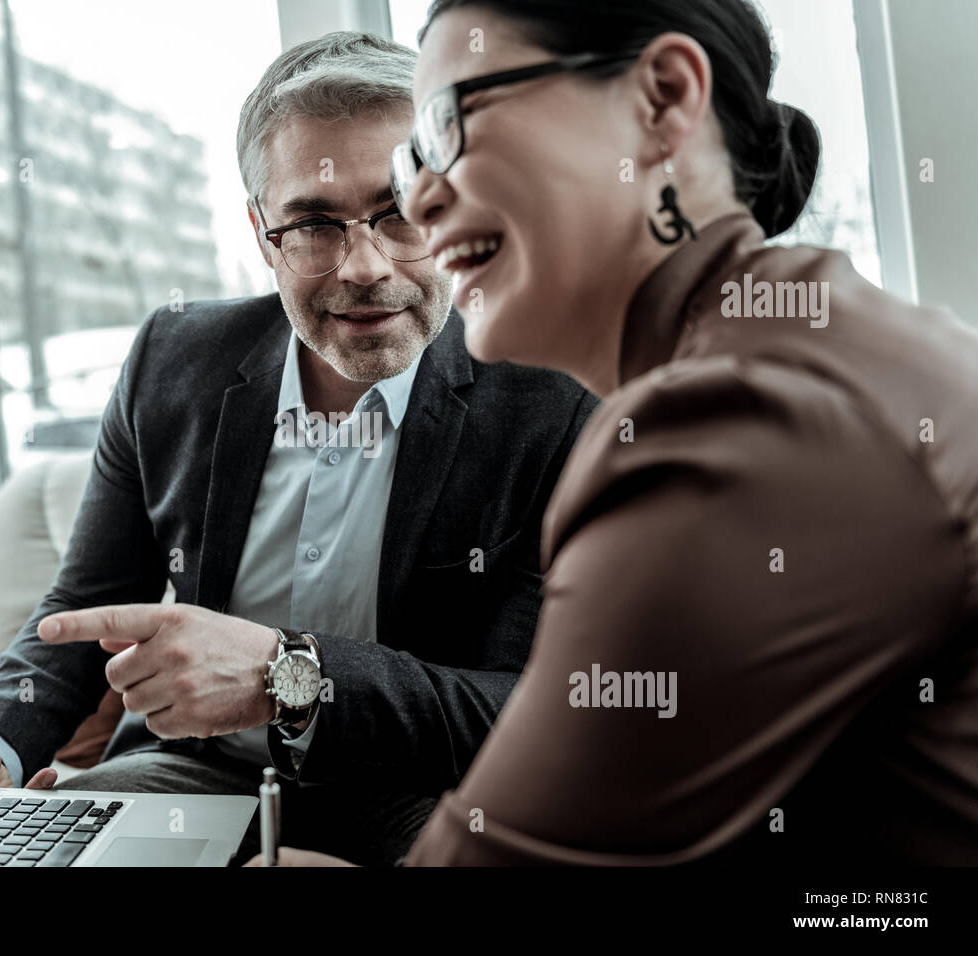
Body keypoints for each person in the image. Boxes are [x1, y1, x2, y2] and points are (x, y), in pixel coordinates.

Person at [256, 0, 978, 866]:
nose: (425, 195)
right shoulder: (827, 334)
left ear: (664, 100)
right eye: (420, 158)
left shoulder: (732, 426)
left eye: (450, 127)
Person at [0, 31, 595, 867]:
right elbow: (84, 608)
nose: (364, 267)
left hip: (427, 793)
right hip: (192, 775)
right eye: (315, 226)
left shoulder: (554, 396)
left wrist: (287, 673)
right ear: (263, 233)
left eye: (399, 210)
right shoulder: (170, 359)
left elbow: (527, 713)